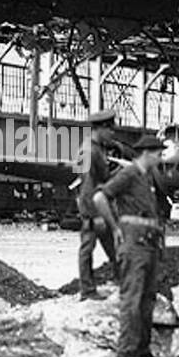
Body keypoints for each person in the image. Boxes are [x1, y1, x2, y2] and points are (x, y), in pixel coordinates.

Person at [93, 135, 168, 357]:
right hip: (134, 244)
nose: (160, 157)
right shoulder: (129, 174)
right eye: (158, 153)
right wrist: (115, 227)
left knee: (147, 299)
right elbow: (100, 198)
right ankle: (126, 352)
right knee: (132, 299)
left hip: (149, 243)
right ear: (146, 153)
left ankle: (142, 350)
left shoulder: (149, 178)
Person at [76, 108, 121, 300]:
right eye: (110, 129)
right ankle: (87, 291)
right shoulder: (88, 151)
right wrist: (94, 215)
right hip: (95, 212)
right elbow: (86, 186)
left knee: (116, 248)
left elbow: (102, 178)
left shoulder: (98, 149)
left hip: (104, 209)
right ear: (100, 128)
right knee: (87, 250)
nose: (112, 133)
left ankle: (122, 283)